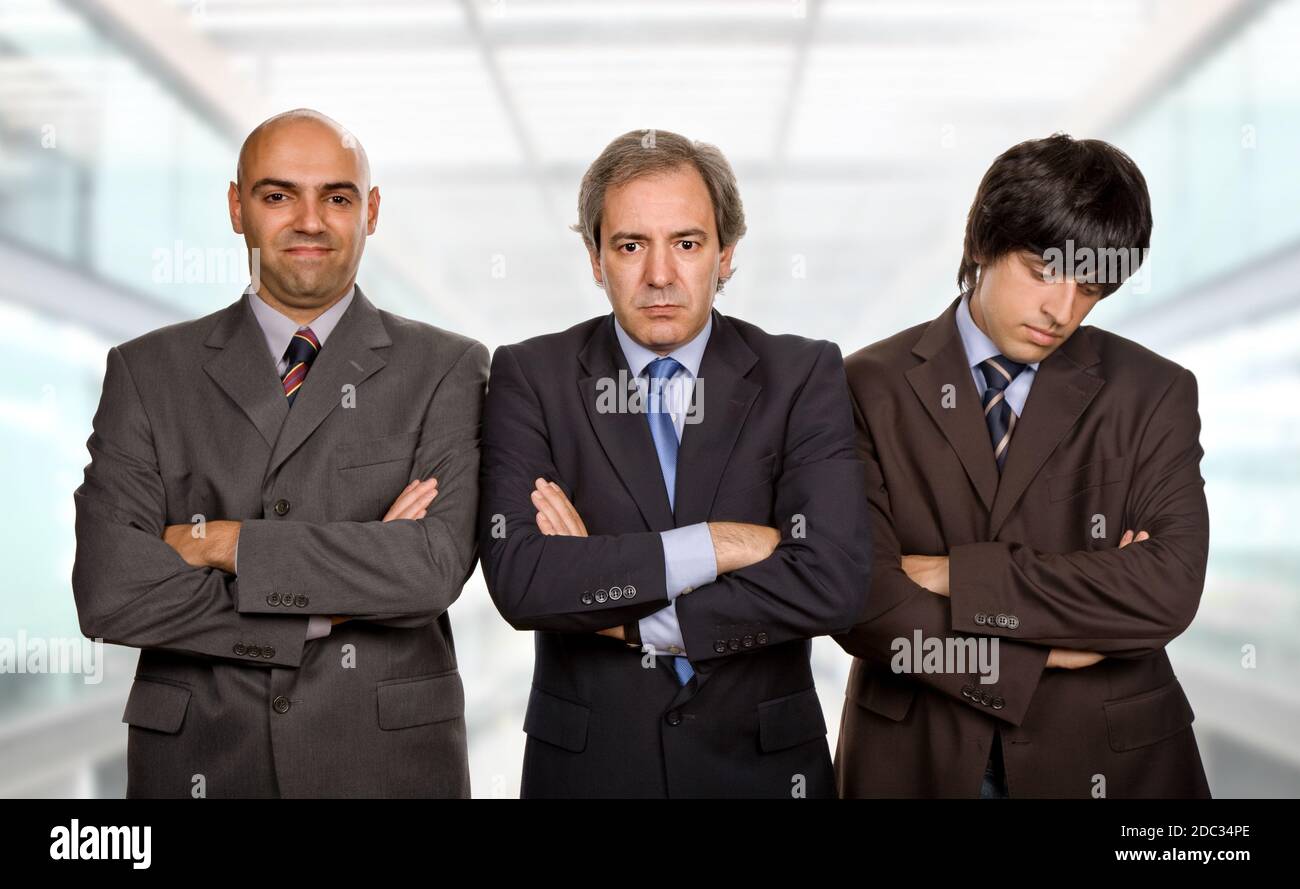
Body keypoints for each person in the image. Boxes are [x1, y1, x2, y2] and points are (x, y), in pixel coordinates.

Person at [72, 109, 488, 798]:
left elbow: (432, 567)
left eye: (337, 197)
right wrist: (339, 598)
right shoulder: (147, 372)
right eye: (277, 195)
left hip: (385, 765)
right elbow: (112, 591)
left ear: (371, 211)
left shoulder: (448, 367)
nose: (309, 220)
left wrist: (228, 543)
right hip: (200, 761)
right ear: (238, 208)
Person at [478, 129, 871, 798]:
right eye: (631, 245)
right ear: (596, 258)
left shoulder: (803, 373)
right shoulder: (529, 375)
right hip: (591, 768)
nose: (660, 275)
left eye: (687, 244)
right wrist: (721, 543)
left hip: (766, 768)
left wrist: (614, 604)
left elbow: (833, 579)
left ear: (726, 254)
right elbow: (522, 579)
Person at [834, 133, 1211, 798]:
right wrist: (1034, 655)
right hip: (915, 756)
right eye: (1044, 271)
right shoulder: (863, 385)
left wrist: (956, 575)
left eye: (1091, 288)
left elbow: (1166, 588)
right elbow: (859, 599)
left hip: (1110, 759)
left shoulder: (1154, 392)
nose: (1062, 311)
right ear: (982, 242)